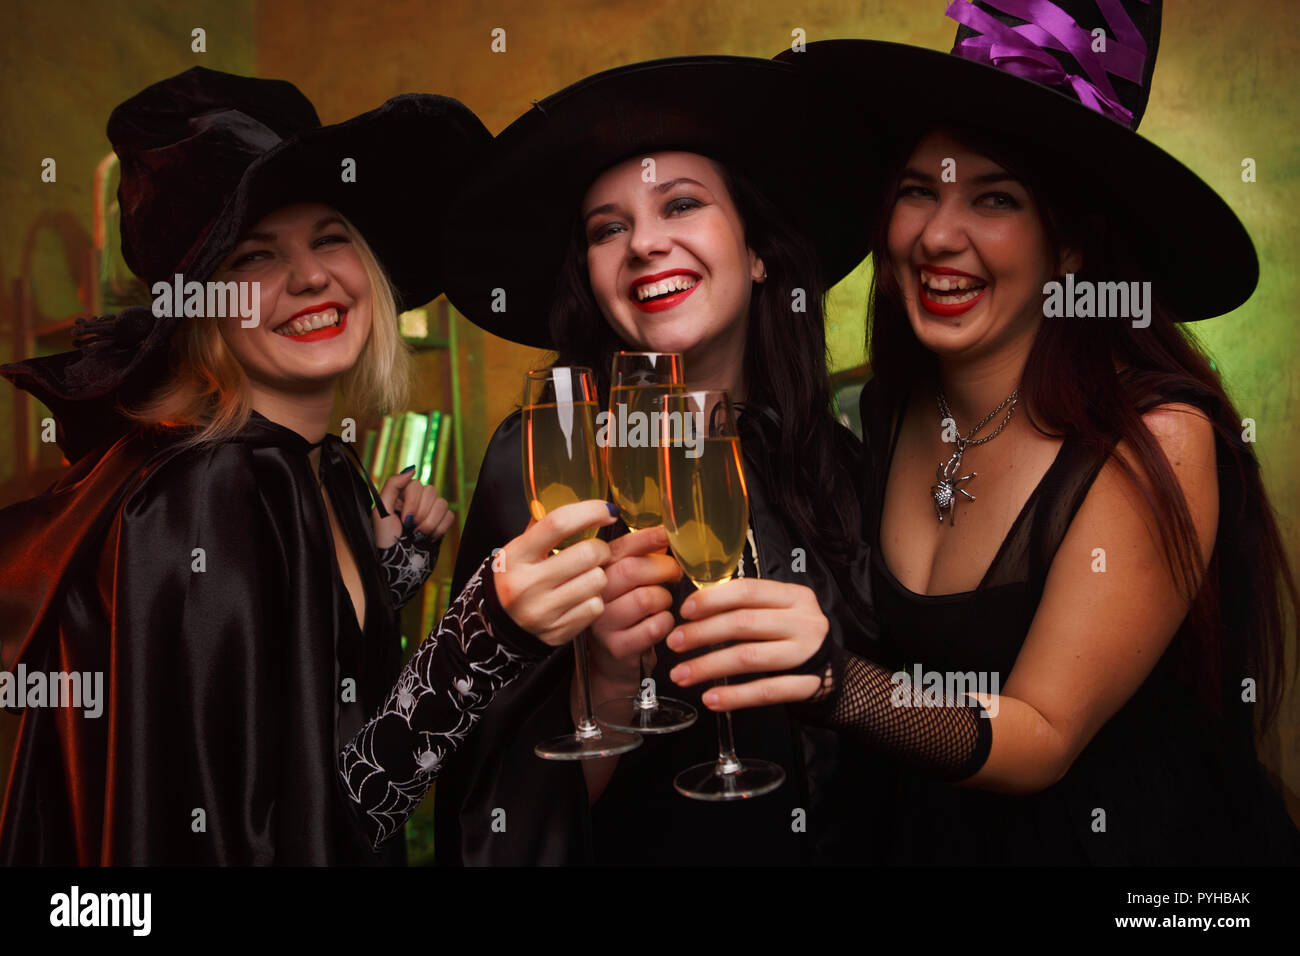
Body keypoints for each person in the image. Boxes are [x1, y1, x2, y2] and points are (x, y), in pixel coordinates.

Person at [673, 1, 1300, 863]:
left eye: (995, 197)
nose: (938, 235)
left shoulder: (1157, 435)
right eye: (918, 192)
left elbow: (1041, 736)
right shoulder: (887, 411)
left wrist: (837, 685)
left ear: (1071, 246)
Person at [0, 67, 615, 864]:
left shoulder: (316, 468)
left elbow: (280, 691)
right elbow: (306, 832)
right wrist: (484, 633)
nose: (310, 276)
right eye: (255, 257)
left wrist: (388, 570)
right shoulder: (210, 492)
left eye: (330, 237)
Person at [430, 55, 885, 865]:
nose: (644, 242)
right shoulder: (543, 460)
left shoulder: (837, 464)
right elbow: (492, 824)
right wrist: (602, 686)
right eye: (608, 228)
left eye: (681, 204)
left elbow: (892, 766)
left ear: (757, 251)